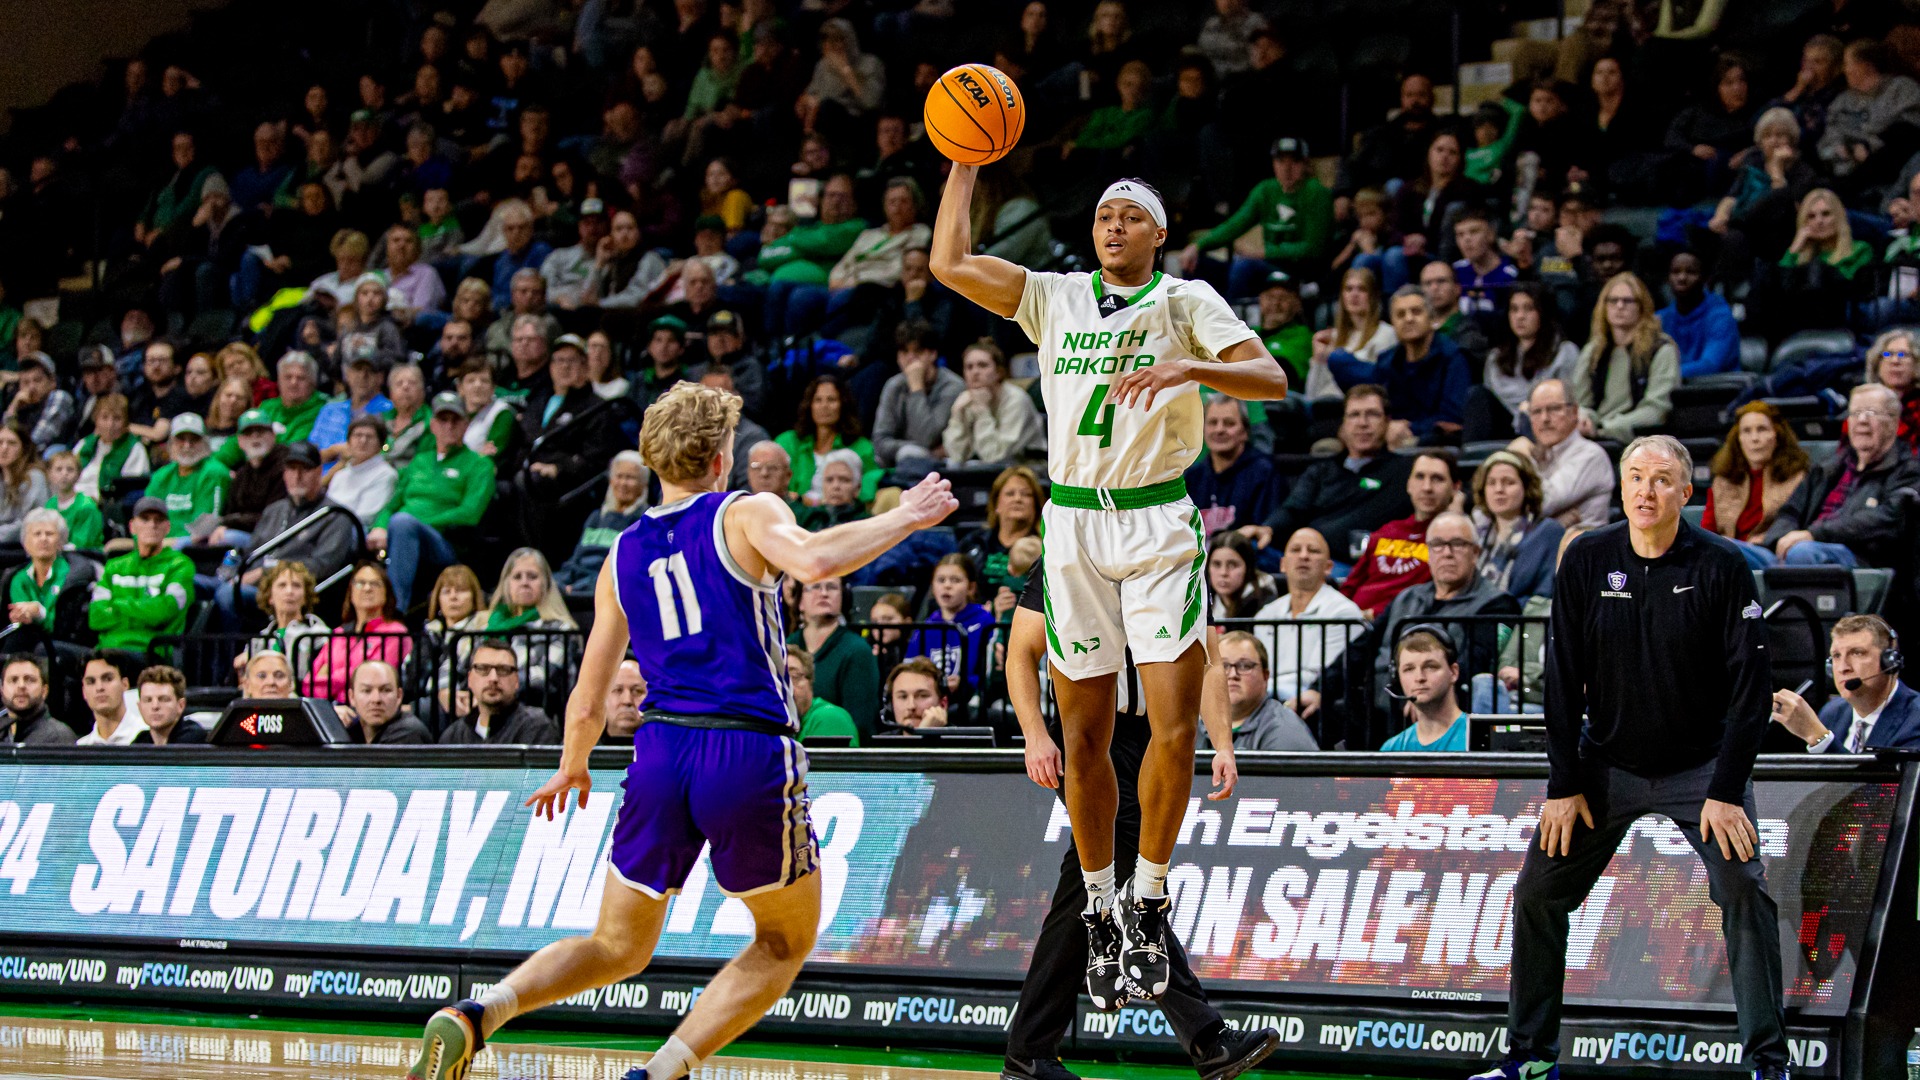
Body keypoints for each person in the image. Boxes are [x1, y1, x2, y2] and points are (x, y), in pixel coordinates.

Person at [409, 383, 958, 1080]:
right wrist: (906, 516)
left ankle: (479, 1012)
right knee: (785, 940)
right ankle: (660, 1070)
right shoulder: (747, 511)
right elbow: (816, 561)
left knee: (617, 945)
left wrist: (574, 763)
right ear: (723, 457)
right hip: (745, 747)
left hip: (660, 750)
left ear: (654, 458)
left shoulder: (622, 553)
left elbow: (589, 692)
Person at [932, 169, 1283, 1008]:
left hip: (1159, 520)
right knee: (1082, 737)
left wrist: (1190, 370)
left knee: (1170, 724)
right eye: (1103, 216)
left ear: (1160, 235)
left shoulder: (1185, 299)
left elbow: (1269, 378)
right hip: (1074, 526)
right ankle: (1099, 907)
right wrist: (964, 161)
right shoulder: (1052, 295)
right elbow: (949, 261)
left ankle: (1150, 899)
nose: (1114, 226)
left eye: (1132, 217)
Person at [1474, 436, 1787, 1080]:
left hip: (1701, 771)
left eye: (1662, 480)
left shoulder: (1723, 565)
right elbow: (1561, 681)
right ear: (1620, 488)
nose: (1646, 491)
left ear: (1686, 492)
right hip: (1604, 766)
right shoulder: (1587, 558)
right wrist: (1563, 783)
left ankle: (1768, 1063)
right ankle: (1530, 1060)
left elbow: (1752, 694)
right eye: (1635, 477)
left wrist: (1726, 790)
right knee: (1537, 894)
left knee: (1744, 890)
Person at [1000, 559, 1274, 1080]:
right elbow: (1021, 652)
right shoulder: (1068, 552)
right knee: (1127, 875)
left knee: (1085, 889)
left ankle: (1028, 1054)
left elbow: (1209, 661)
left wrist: (1221, 743)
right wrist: (1035, 734)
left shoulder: (1176, 556)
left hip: (1154, 743)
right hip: (1086, 742)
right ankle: (1206, 1038)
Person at [1367, 511, 1521, 725]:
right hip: (1378, 705)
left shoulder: (1497, 604)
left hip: (1439, 711)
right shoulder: (1406, 597)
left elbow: (1478, 664)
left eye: (1457, 544)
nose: (1447, 553)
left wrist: (1423, 694)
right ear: (1428, 552)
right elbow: (1362, 647)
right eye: (1438, 544)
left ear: (1475, 553)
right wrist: (1319, 690)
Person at [1241, 385, 1414, 560]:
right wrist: (1267, 528)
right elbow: (1293, 510)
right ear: (1343, 424)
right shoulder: (1321, 470)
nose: (1362, 423)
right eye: (1354, 415)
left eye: (1372, 414)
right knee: (1244, 550)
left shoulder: (1404, 472)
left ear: (1387, 421)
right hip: (1307, 557)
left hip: (1362, 565)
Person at [1760, 383, 1920, 568]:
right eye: (1855, 413)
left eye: (1871, 412)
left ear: (1894, 422)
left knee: (1802, 553)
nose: (1861, 420)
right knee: (1734, 553)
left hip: (1859, 559)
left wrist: (1814, 534)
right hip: (1801, 548)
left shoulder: (1909, 470)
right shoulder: (1827, 468)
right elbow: (1790, 512)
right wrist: (1778, 541)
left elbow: (1885, 518)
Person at [371, 391, 497, 609]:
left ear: (466, 425)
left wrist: (418, 522)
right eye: (443, 420)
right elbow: (392, 504)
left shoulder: (478, 464)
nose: (449, 426)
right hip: (404, 533)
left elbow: (470, 513)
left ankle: (395, 610)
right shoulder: (419, 461)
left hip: (446, 543)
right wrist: (380, 527)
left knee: (402, 523)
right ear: (433, 425)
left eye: (455, 420)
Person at [217, 441, 359, 627]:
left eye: (305, 469)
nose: (297, 476)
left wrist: (266, 572)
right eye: (291, 469)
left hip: (295, 592)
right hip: (253, 583)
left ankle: (232, 654)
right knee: (201, 586)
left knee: (228, 595)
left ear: (319, 472)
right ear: (284, 474)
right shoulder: (274, 510)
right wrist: (233, 571)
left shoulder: (335, 515)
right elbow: (251, 551)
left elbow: (323, 566)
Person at [1180, 135, 1333, 297]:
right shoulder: (1266, 190)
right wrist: (1198, 246)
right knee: (1195, 264)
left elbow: (1312, 248)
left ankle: (1233, 318)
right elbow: (1235, 225)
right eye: (1281, 161)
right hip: (1264, 265)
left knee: (1244, 266)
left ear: (1305, 164)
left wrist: (1264, 252)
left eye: (1294, 161)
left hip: (1298, 272)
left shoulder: (1316, 192)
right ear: (1273, 163)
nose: (1287, 168)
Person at [1324, 286, 1471, 446]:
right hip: (1390, 436)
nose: (1408, 319)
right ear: (1392, 323)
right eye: (1401, 314)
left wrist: (1411, 428)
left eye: (1416, 312)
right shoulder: (1388, 360)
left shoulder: (1453, 357)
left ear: (1432, 319)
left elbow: (1451, 420)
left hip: (1434, 441)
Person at [1253, 527, 1366, 719]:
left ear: (1329, 567)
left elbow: (1319, 677)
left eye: (1313, 551)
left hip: (1315, 708)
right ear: (1282, 564)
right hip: (1267, 700)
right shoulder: (1265, 614)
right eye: (1296, 550)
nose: (1304, 556)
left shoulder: (1344, 612)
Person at [1771, 615, 1920, 753]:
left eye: (1857, 653)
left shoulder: (1916, 718)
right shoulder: (1832, 712)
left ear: (1889, 662)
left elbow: (1889, 782)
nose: (1843, 667)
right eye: (1836, 656)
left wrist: (1818, 737)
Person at [1343, 450, 1458, 618]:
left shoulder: (1452, 542)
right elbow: (1350, 586)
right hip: (1351, 624)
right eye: (1420, 477)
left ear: (1455, 487)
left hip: (1401, 627)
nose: (1427, 488)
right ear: (1408, 484)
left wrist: (1372, 614)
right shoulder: (1387, 531)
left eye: (1437, 479)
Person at [1572, 273, 1679, 442]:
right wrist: (1584, 418)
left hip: (1641, 441)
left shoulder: (1661, 349)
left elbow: (1657, 410)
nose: (1620, 306)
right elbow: (1579, 403)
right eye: (1613, 300)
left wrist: (1605, 428)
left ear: (1641, 306)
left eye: (1628, 301)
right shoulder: (1593, 350)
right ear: (1604, 306)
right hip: (1592, 437)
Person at [1703, 402, 1810, 568]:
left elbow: (1798, 525)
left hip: (1771, 554)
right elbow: (1707, 531)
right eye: (1746, 431)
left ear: (1777, 435)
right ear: (1738, 439)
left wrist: (1766, 539)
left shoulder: (1797, 478)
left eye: (1762, 429)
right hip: (1726, 554)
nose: (1754, 438)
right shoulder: (1722, 481)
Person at [1471, 283, 1578, 443]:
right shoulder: (1495, 357)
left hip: (1543, 423)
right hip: (1503, 427)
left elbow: (1568, 400)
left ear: (1543, 313)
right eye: (1514, 309)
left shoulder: (1564, 352)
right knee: (1477, 395)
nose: (1520, 316)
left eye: (1528, 309)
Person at [88, 498, 193, 659]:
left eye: (159, 520)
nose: (152, 525)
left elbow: (165, 611)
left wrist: (117, 605)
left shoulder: (180, 565)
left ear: (167, 528)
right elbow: (96, 617)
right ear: (132, 527)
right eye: (145, 519)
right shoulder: (114, 566)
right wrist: (144, 615)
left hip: (152, 652)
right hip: (108, 650)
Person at [1512, 379, 1612, 530]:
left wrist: (1523, 460)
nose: (1544, 419)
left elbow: (1543, 502)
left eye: (1554, 409)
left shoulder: (1590, 455)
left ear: (1574, 412)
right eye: (1536, 411)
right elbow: (1485, 511)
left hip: (1579, 550)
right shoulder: (1536, 453)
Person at [480, 547, 578, 700]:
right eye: (517, 577)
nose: (524, 583)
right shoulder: (486, 628)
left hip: (533, 709)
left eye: (532, 576)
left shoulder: (561, 629)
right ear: (507, 584)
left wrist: (492, 685)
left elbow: (543, 677)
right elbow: (462, 669)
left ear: (545, 584)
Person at [307, 561, 412, 702]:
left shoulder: (395, 633)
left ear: (387, 593)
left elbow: (374, 679)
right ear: (351, 591)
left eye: (375, 584)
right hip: (332, 711)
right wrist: (350, 676)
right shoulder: (338, 634)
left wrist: (329, 677)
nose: (367, 588)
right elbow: (309, 685)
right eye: (360, 583)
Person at [1470, 451, 1566, 600]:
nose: (1499, 490)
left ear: (1527, 488)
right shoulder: (1476, 535)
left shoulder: (1548, 533)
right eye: (1491, 483)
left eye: (1509, 482)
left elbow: (1546, 594)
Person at [1201, 631, 1317, 751]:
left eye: (1244, 666)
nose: (1233, 674)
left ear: (1265, 676)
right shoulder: (1196, 722)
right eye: (1223, 666)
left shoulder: (1284, 731)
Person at [774, 375, 880, 505]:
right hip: (794, 513)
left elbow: (873, 480)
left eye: (831, 400)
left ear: (843, 405)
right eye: (818, 400)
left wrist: (859, 495)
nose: (824, 406)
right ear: (809, 405)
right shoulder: (787, 442)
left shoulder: (861, 447)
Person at [555, 451, 649, 596]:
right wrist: (559, 584)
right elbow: (575, 561)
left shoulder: (645, 520)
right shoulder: (596, 517)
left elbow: (627, 571)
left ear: (643, 484)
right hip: (577, 585)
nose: (623, 483)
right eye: (619, 476)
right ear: (611, 480)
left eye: (630, 478)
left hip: (607, 591)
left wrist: (578, 587)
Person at [871, 320, 963, 467]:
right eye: (904, 352)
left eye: (918, 352)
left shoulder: (952, 386)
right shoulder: (893, 385)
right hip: (899, 461)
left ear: (933, 354)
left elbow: (926, 437)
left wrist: (916, 388)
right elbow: (880, 441)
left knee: (911, 454)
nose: (910, 359)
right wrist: (915, 448)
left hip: (941, 466)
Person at [905, 553, 994, 703]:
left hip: (974, 701)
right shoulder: (926, 626)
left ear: (971, 588)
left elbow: (991, 672)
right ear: (933, 587)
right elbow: (908, 668)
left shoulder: (984, 621)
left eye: (956, 580)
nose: (947, 585)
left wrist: (966, 682)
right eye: (941, 580)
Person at [436, 637, 559, 745]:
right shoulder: (453, 735)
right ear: (470, 679)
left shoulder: (537, 728)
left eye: (503, 670)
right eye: (483, 669)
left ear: (516, 680)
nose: (493, 678)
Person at [6, 509, 100, 645]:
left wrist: (39, 613)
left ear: (61, 541)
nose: (43, 538)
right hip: (30, 639)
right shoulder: (18, 579)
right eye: (37, 534)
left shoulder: (72, 576)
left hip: (66, 641)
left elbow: (65, 626)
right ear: (25, 543)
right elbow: (22, 623)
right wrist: (21, 617)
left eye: (49, 534)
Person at [944, 338, 1045, 465]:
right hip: (986, 471)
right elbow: (955, 456)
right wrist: (957, 414)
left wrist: (982, 412)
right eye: (969, 367)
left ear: (999, 372)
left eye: (982, 365)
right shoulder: (966, 400)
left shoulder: (1016, 400)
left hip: (1027, 469)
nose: (975, 372)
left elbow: (995, 457)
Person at [1186, 397, 1277, 536]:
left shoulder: (1264, 473)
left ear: (1245, 432)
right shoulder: (1192, 477)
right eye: (1212, 423)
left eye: (1229, 423)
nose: (1219, 429)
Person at [1307, 268, 1397, 399]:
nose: (1354, 294)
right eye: (1348, 289)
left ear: (1372, 296)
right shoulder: (1333, 337)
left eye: (1362, 289)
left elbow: (1383, 385)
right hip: (1325, 407)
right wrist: (1319, 359)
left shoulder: (1386, 333)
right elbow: (1311, 395)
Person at [1378, 624, 1468, 751]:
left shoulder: (1477, 739)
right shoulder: (1392, 749)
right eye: (1409, 669)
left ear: (1453, 672)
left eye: (1430, 667)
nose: (1419, 677)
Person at [144, 413, 231, 541]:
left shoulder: (214, 472)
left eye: (194, 439)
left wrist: (165, 542)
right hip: (159, 543)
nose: (187, 446)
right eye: (181, 439)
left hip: (192, 547)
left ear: (205, 443)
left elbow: (205, 526)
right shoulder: (161, 476)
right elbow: (145, 518)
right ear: (171, 443)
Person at [1657, 251, 1739, 378]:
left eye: (1690, 272)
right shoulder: (1660, 319)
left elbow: (1710, 365)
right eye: (1675, 272)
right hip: (1672, 391)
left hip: (1717, 392)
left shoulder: (1721, 316)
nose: (1682, 278)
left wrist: (1660, 375)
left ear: (1705, 278)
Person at [238, 560, 330, 670]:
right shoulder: (260, 640)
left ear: (305, 596)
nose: (289, 591)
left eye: (296, 586)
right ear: (270, 597)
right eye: (282, 585)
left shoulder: (320, 635)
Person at [73, 393, 150, 500]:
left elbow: (130, 488)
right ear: (96, 420)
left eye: (117, 419)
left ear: (126, 423)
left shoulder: (135, 449)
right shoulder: (84, 444)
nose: (110, 425)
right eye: (104, 417)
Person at [328, 415, 399, 525]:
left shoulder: (386, 475)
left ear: (380, 444)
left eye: (369, 437)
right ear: (349, 442)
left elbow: (365, 518)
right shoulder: (340, 475)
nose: (363, 441)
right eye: (358, 435)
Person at [346, 659, 433, 744]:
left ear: (399, 696)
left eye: (386, 690)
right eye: (366, 691)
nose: (376, 699)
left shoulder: (408, 734)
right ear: (352, 697)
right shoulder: (352, 728)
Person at [787, 647, 859, 745]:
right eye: (778, 679)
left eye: (794, 676)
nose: (787, 686)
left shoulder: (829, 718)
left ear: (810, 681)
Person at [0, 655, 74, 745]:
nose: (21, 685)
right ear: (2, 690)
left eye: (30, 680)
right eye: (13, 680)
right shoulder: (3, 731)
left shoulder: (58, 736)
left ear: (44, 691)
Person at [75, 653, 147, 745]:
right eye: (91, 682)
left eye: (108, 679)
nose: (99, 687)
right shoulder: (81, 746)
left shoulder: (147, 736)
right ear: (84, 692)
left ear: (125, 684)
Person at [1205, 529, 1276, 622]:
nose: (1223, 573)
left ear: (1248, 568)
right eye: (1216, 564)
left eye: (1233, 565)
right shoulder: (1202, 599)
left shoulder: (1264, 602)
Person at [43, 451, 105, 552]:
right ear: (49, 474)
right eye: (59, 469)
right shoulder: (50, 504)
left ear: (79, 474)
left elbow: (84, 545)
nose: (64, 474)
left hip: (86, 557)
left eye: (70, 470)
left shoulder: (86, 506)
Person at [129, 665, 206, 744]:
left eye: (163, 699)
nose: (155, 706)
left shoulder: (193, 739)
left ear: (181, 705)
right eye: (148, 700)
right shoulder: (140, 741)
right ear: (139, 707)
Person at [0, 422, 48, 545]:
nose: (4, 448)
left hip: (20, 547)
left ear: (24, 448)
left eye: (12, 443)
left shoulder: (34, 477)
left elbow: (29, 522)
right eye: (0, 442)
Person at [795, 451, 868, 532]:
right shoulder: (808, 518)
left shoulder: (867, 524)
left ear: (857, 488)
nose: (835, 486)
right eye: (829, 480)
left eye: (844, 480)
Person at [883, 658, 949, 730]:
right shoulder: (880, 740)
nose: (911, 706)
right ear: (890, 704)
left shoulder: (960, 740)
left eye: (922, 696)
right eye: (903, 697)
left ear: (943, 704)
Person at [598, 659, 646, 747]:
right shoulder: (583, 750)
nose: (627, 701)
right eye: (617, 690)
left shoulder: (667, 750)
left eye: (637, 691)